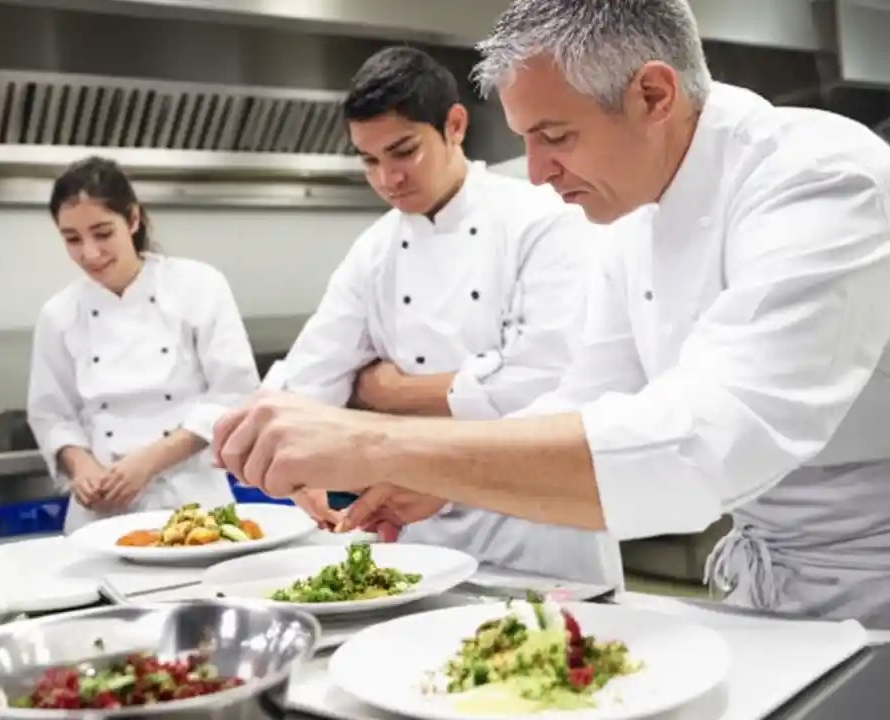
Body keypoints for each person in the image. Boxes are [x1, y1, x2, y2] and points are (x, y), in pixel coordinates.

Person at [212, 0, 890, 626]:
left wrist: (377, 440)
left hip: (874, 582)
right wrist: (431, 480)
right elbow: (586, 395)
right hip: (768, 590)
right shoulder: (634, 214)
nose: (535, 172)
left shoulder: (820, 179)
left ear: (653, 94)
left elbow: (705, 444)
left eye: (555, 135)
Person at [265, 45, 618, 586]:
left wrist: (389, 392)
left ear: (454, 126)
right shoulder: (374, 250)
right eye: (369, 160)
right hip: (419, 543)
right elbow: (315, 366)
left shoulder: (540, 218)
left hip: (538, 532)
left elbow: (542, 381)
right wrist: (292, 459)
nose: (388, 178)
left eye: (403, 151)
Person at [27, 156, 261, 533]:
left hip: (193, 504)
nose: (89, 252)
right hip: (101, 515)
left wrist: (148, 462)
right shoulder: (59, 313)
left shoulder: (197, 285)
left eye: (103, 233)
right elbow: (51, 414)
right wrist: (82, 467)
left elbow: (234, 394)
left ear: (133, 220)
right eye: (72, 239)